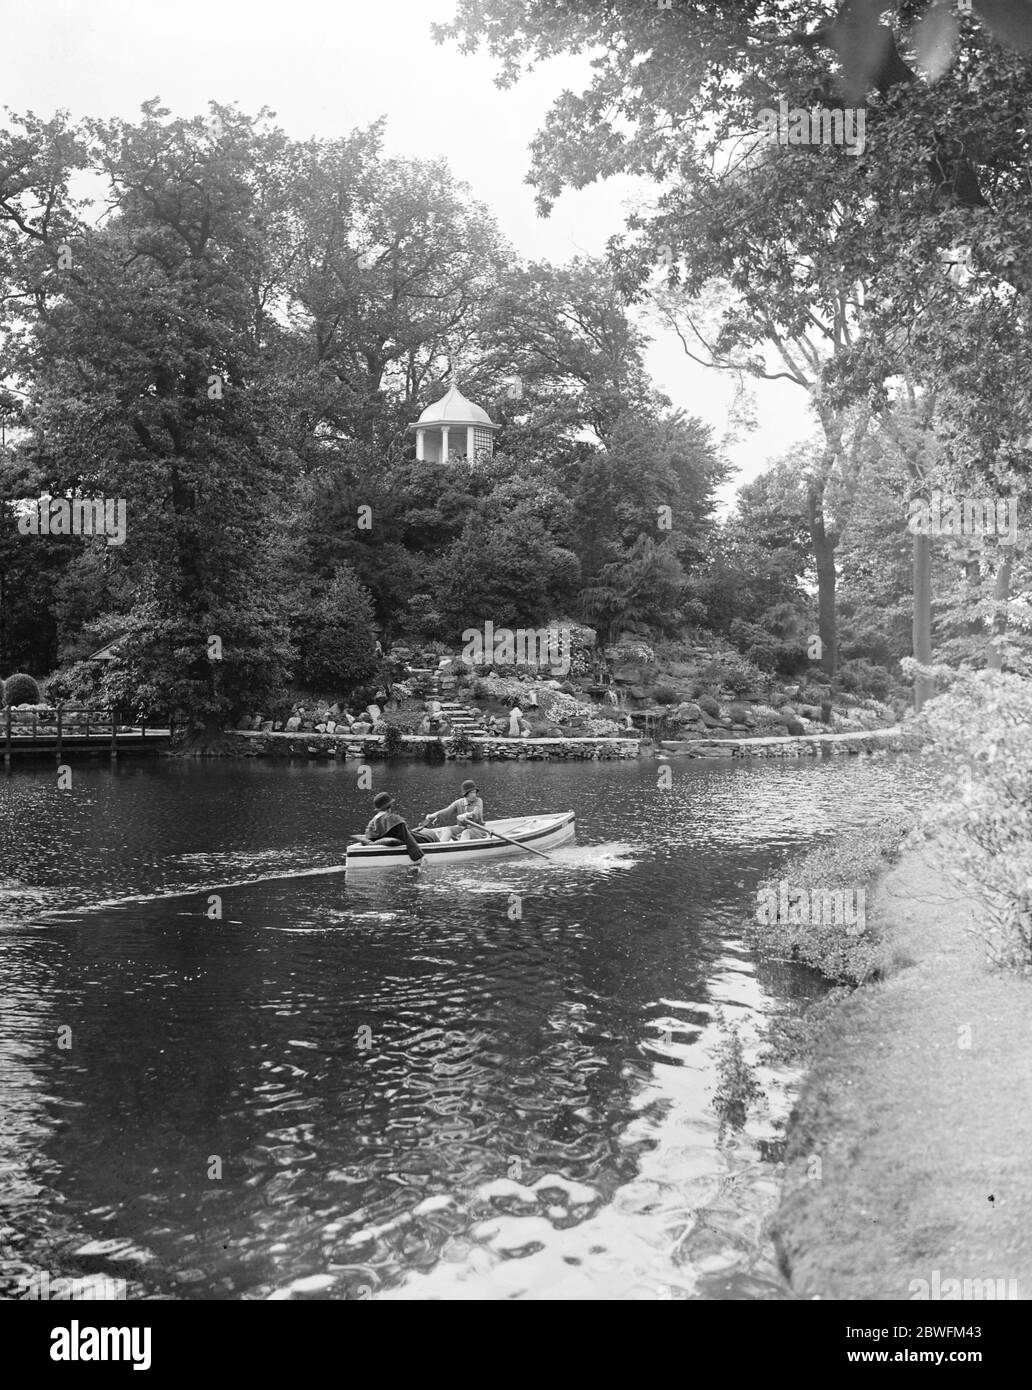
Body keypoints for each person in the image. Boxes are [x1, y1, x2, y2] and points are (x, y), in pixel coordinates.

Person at [354, 792, 428, 861]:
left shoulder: (371, 823)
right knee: (423, 833)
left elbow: (369, 837)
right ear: (390, 806)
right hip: (424, 838)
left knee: (419, 830)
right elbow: (409, 840)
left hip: (410, 835)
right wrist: (419, 857)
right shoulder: (395, 820)